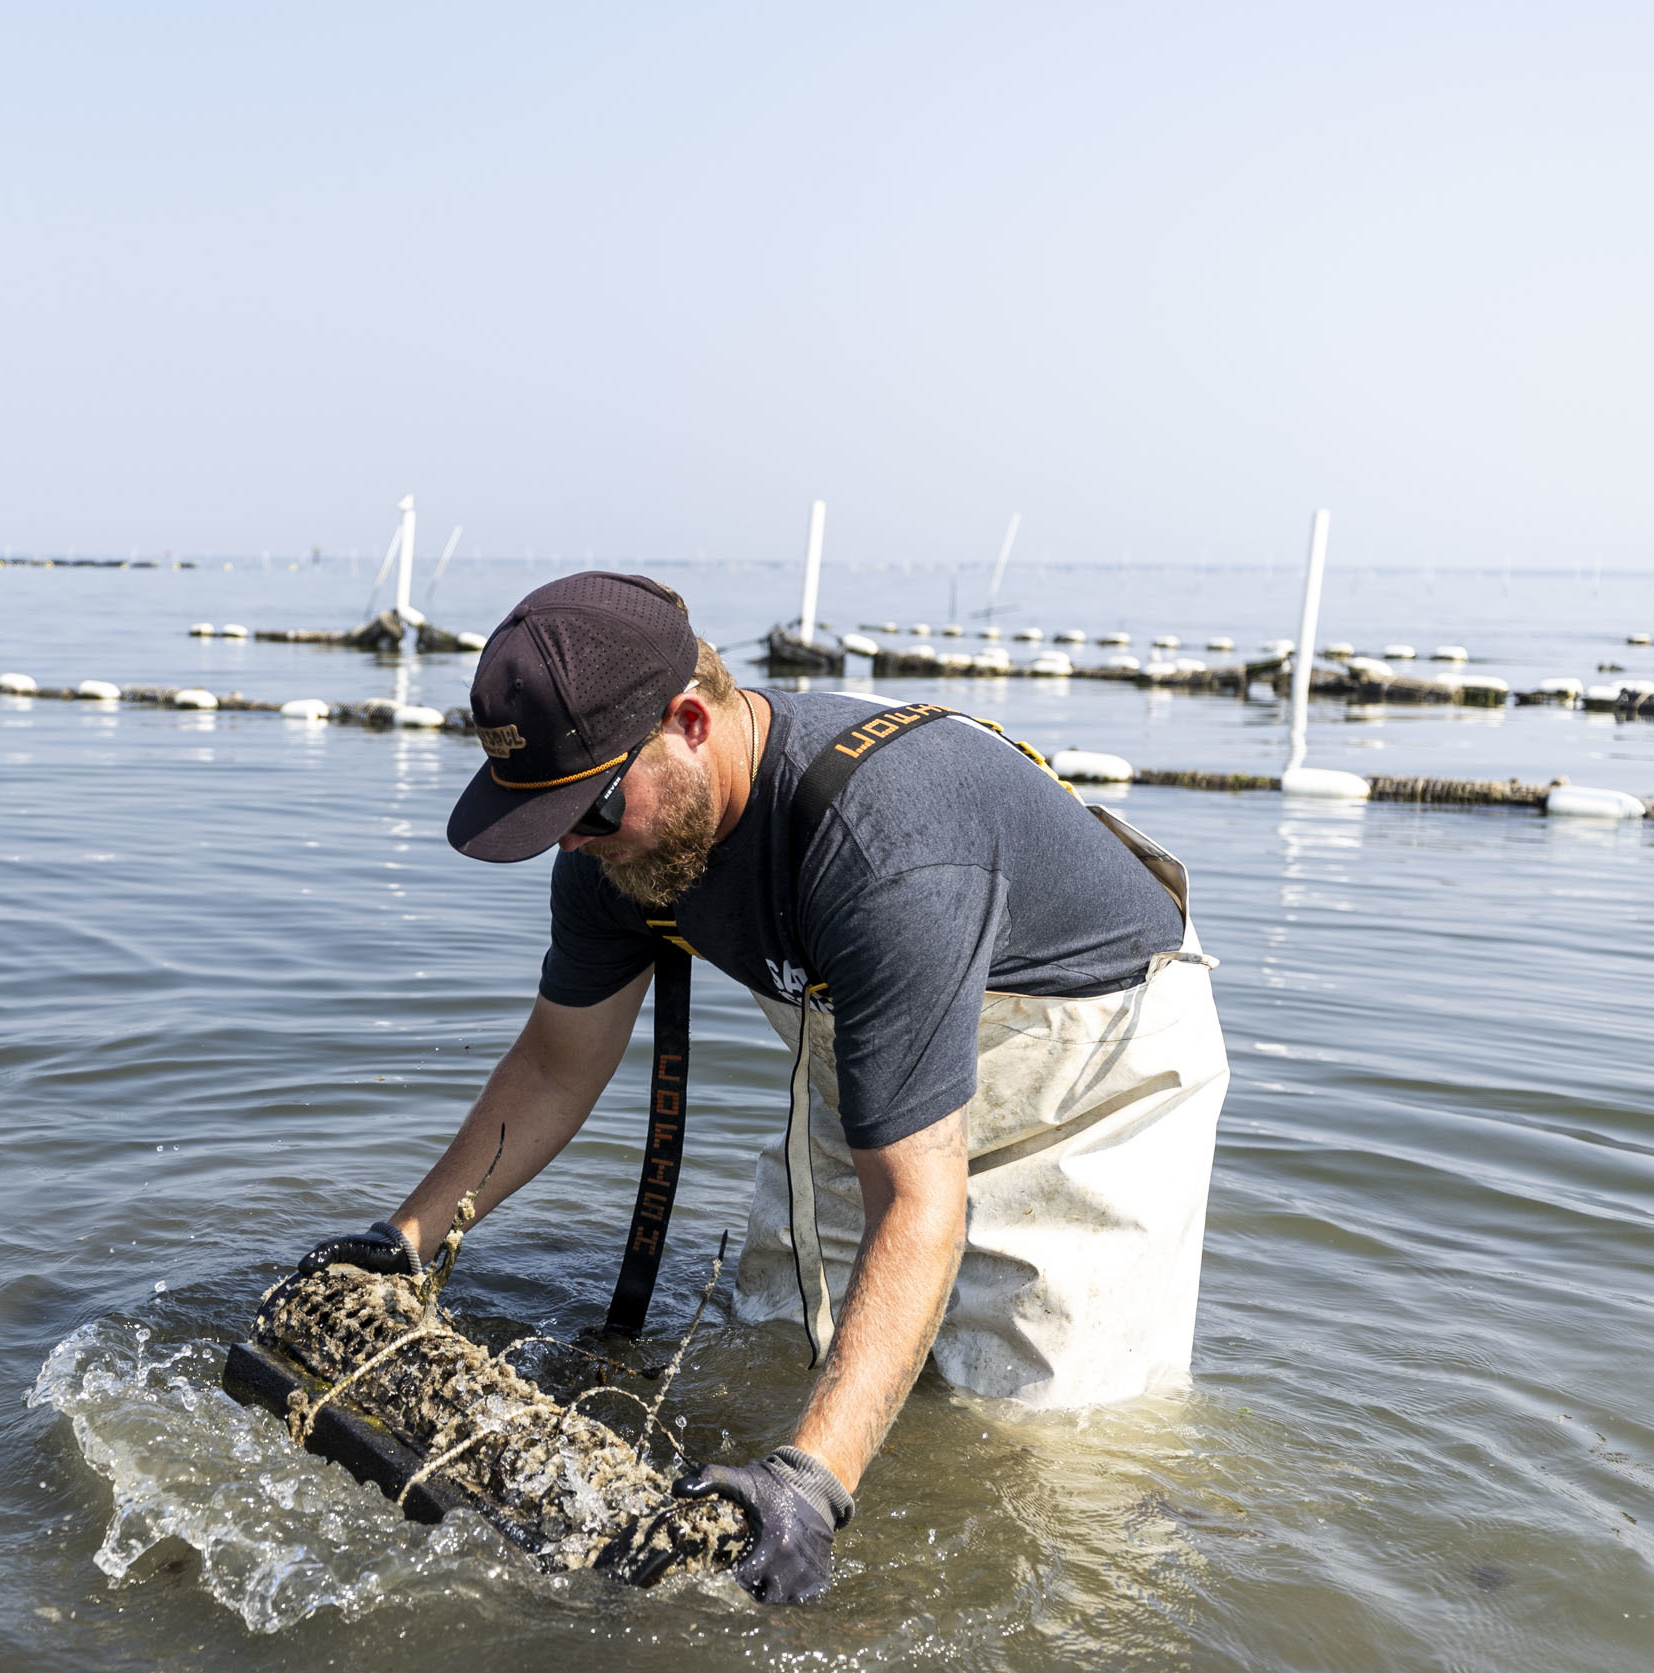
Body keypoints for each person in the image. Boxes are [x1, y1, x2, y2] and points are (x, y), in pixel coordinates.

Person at [299, 572, 1227, 1604]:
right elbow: (558, 1062)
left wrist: (809, 1484)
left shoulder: (883, 850)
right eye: (546, 815)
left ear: (690, 723)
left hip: (1085, 1074)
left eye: (588, 807)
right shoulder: (617, 842)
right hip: (877, 1029)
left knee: (1041, 1442)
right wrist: (407, 1240)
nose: (571, 842)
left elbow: (918, 1204)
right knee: (782, 1344)